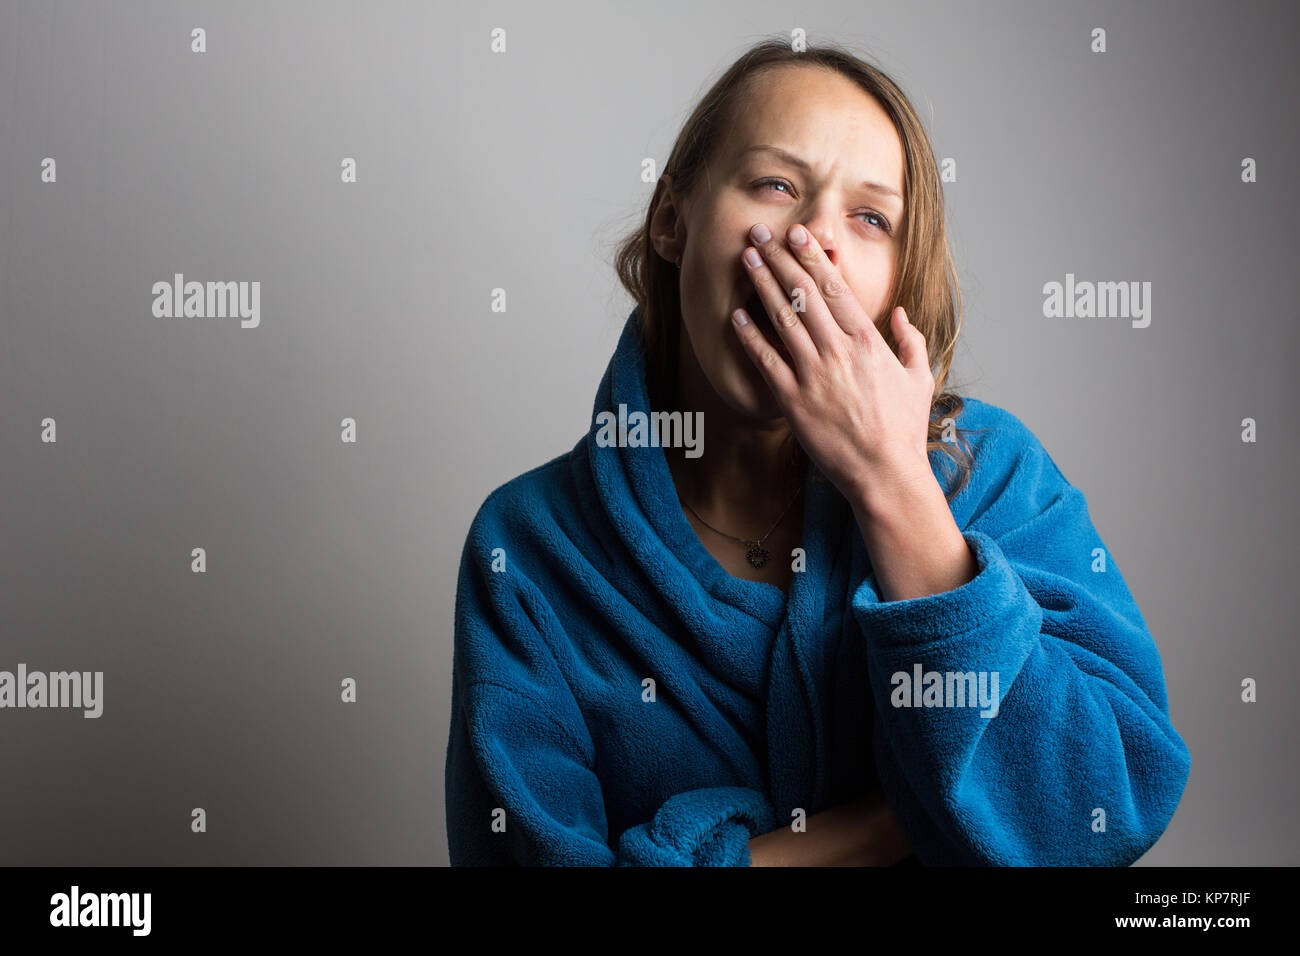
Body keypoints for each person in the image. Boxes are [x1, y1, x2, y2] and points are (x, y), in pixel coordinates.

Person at [443, 38, 1191, 866]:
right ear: (671, 219)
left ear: (899, 282)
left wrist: (893, 486)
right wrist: (888, 829)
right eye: (775, 185)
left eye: (870, 218)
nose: (813, 242)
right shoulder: (528, 547)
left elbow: (1104, 804)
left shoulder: (993, 472)